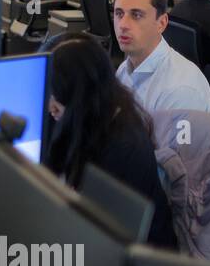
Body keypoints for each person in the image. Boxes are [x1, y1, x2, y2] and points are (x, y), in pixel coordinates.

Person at [45, 33, 177, 249]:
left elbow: (96, 240)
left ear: (79, 92)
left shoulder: (122, 146)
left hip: (138, 262)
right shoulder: (97, 112)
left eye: (57, 94)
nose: (51, 106)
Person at [112, 0, 210, 114]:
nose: (123, 25)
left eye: (136, 15)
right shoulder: (124, 69)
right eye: (119, 14)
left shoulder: (180, 89)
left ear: (161, 23)